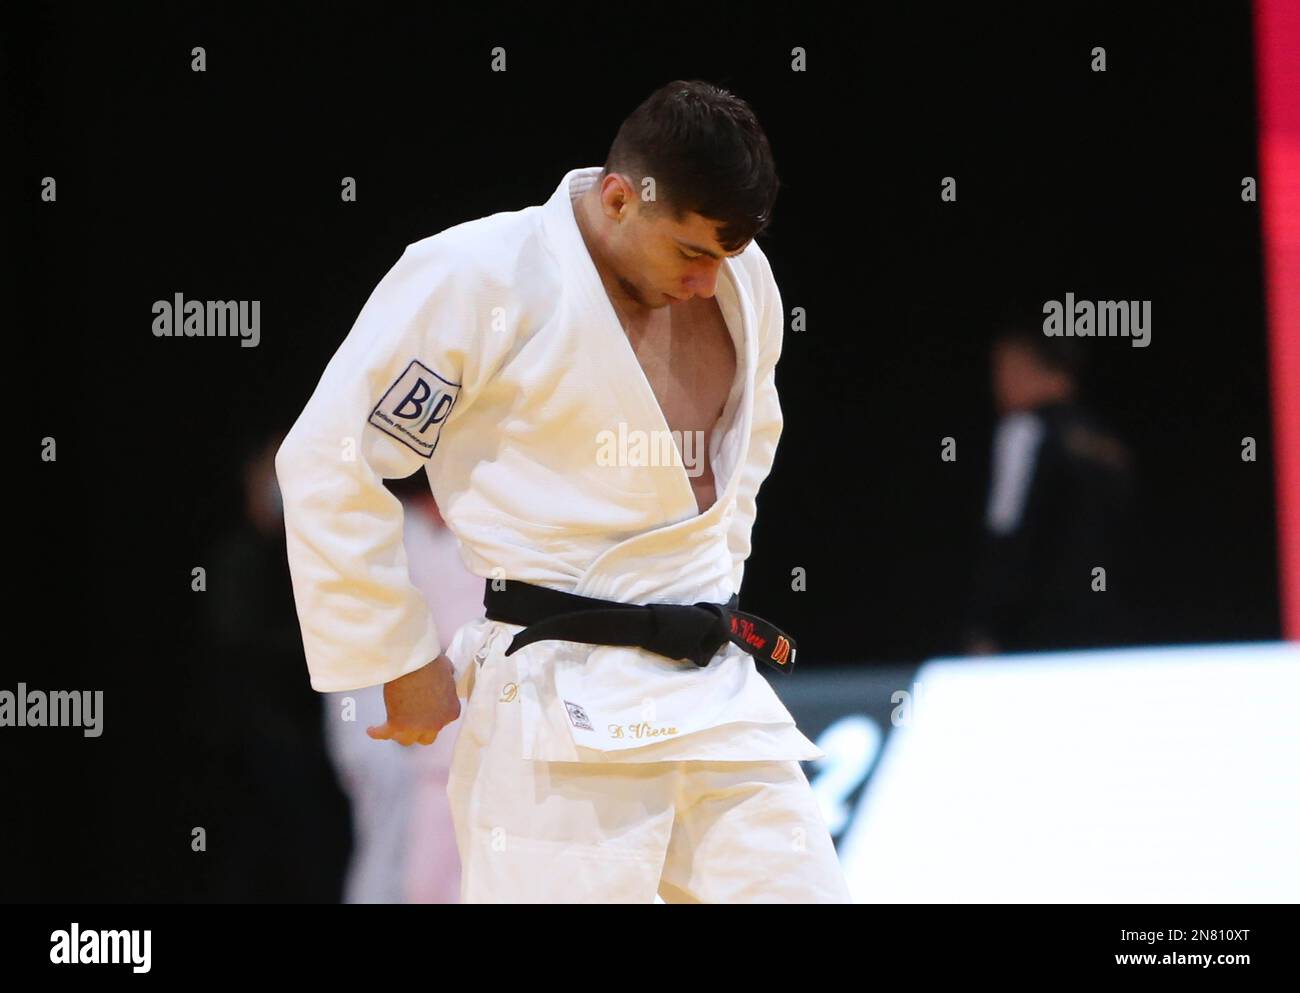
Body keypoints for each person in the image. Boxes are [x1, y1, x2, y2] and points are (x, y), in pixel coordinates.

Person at [276, 80, 850, 903]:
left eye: (723, 257)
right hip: (555, 704)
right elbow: (330, 456)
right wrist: (394, 655)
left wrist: (710, 589)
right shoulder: (480, 279)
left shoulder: (743, 279)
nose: (704, 282)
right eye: (690, 253)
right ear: (620, 197)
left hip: (714, 693)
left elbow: (747, 455)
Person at [963, 322, 1137, 655]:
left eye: (1001, 368)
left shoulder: (1024, 430)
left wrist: (985, 627)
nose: (997, 382)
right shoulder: (1108, 446)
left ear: (1025, 365)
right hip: (1110, 636)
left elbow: (1007, 538)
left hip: (1038, 640)